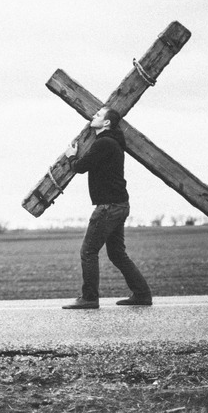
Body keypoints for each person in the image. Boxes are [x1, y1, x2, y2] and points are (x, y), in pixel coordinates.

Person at [61, 106, 152, 309]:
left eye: (99, 115)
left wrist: (71, 156)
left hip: (109, 207)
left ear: (107, 123)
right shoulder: (113, 142)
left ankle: (90, 298)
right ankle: (142, 294)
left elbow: (80, 167)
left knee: (88, 251)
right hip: (119, 204)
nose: (94, 116)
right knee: (117, 253)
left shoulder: (104, 143)